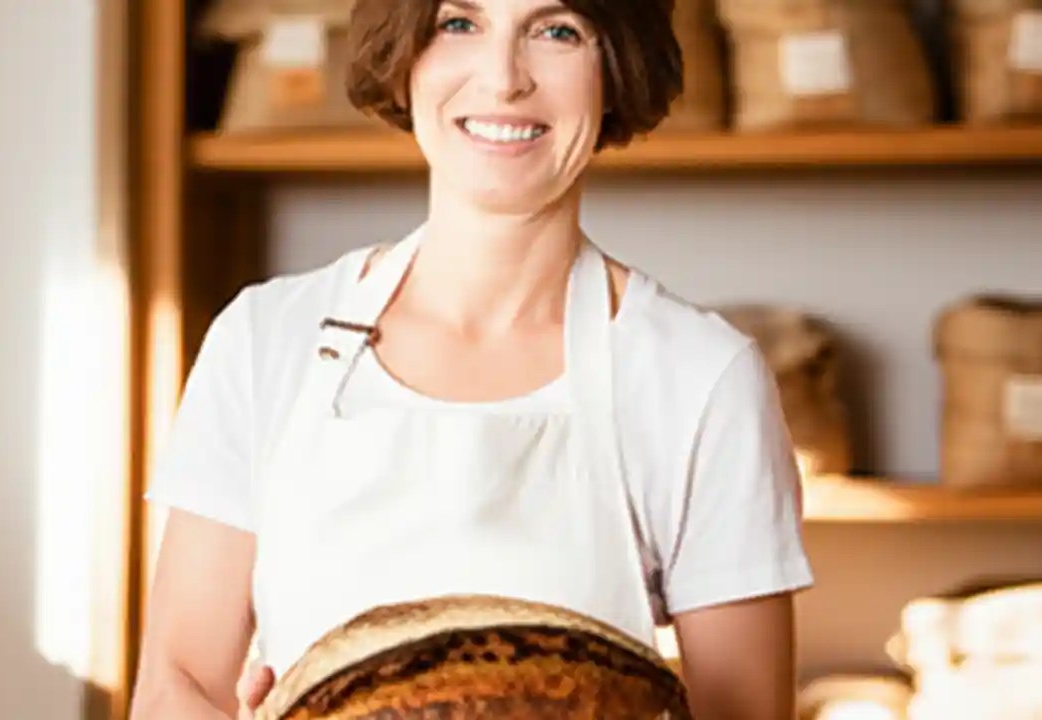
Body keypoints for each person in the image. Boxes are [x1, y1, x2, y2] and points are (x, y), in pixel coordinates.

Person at [129, 0, 814, 717]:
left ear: (616, 68)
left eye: (557, 31)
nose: (503, 79)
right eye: (459, 23)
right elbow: (177, 684)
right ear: (406, 58)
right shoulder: (266, 338)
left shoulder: (700, 376)